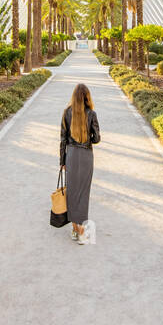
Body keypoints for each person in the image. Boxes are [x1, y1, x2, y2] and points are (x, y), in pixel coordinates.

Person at [59, 83, 100, 244]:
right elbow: (96, 139)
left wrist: (62, 161)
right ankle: (82, 233)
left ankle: (76, 230)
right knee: (83, 193)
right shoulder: (91, 114)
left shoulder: (66, 113)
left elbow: (63, 140)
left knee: (72, 192)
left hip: (71, 155)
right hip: (86, 156)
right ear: (87, 97)